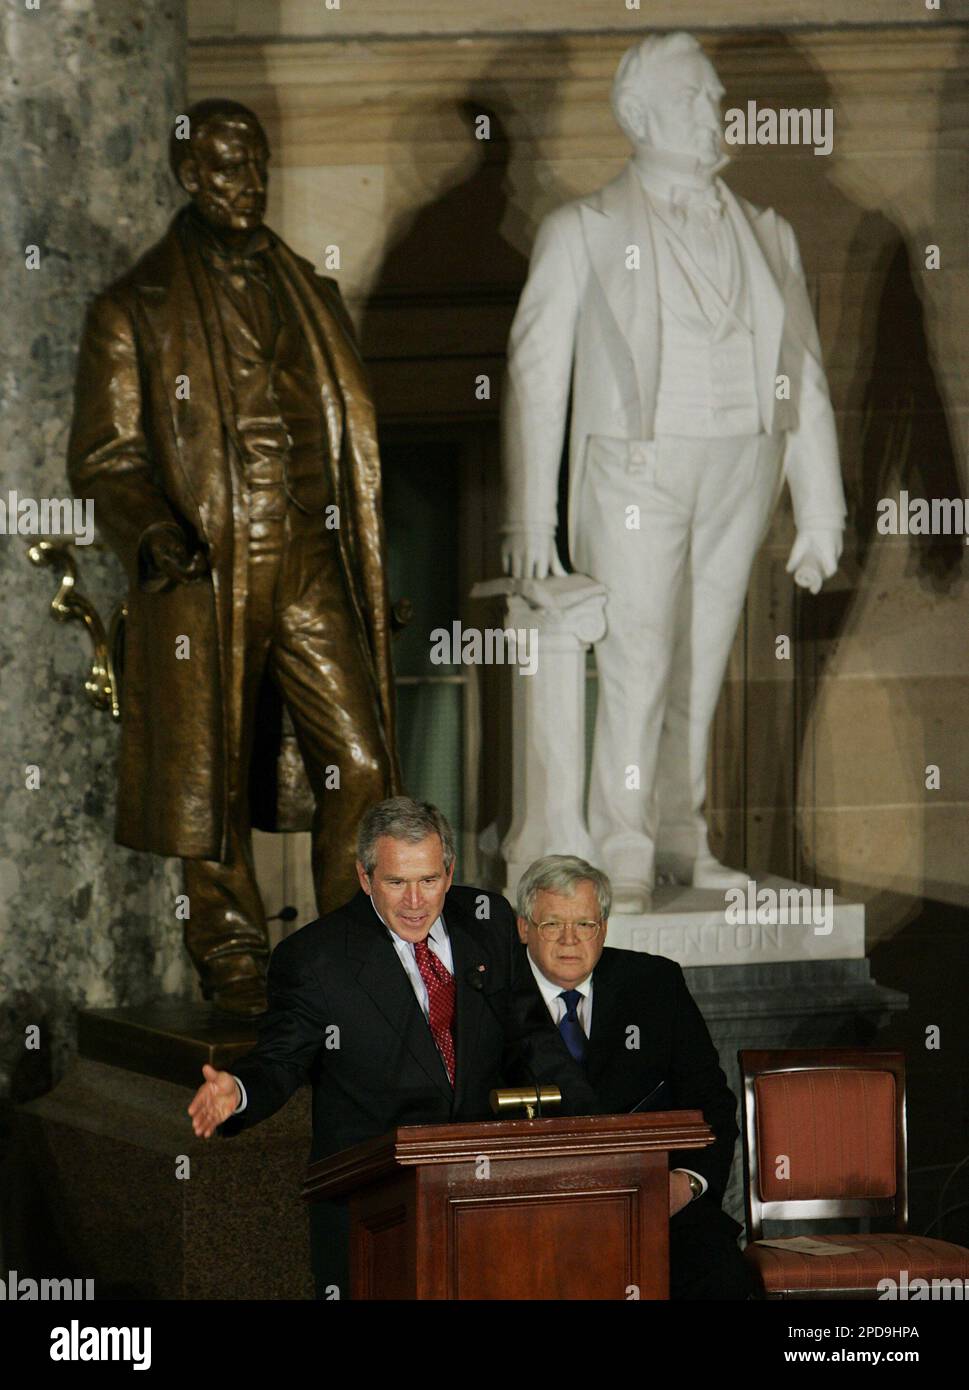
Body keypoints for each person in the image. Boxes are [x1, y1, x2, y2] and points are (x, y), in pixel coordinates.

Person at [67, 99, 399, 1014]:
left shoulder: (309, 291)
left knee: (362, 759)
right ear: (187, 174)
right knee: (205, 769)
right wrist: (152, 530)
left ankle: (348, 951)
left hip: (306, 556)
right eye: (223, 168)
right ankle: (232, 958)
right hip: (207, 565)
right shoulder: (133, 307)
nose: (245, 184)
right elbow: (104, 460)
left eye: (254, 165)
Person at [501, 32, 846, 910]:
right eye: (696, 97)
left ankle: (683, 840)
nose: (713, 111)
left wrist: (819, 511)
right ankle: (622, 844)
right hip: (634, 474)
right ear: (639, 113)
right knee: (636, 661)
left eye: (715, 97)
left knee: (701, 661)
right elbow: (535, 378)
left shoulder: (768, 234)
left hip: (740, 467)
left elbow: (802, 373)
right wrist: (529, 522)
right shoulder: (581, 229)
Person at [188, 798, 598, 1298]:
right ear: (365, 878)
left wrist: (598, 1125)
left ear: (449, 872)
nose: (415, 902)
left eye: (428, 881)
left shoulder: (487, 921)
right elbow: (281, 1060)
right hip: (372, 1210)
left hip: (482, 1199)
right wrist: (240, 1089)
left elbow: (531, 1034)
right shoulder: (316, 958)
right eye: (396, 883)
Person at [516, 853, 755, 1299]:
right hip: (536, 1208)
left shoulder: (655, 984)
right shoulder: (489, 996)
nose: (570, 940)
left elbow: (712, 1103)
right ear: (523, 927)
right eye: (552, 925)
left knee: (720, 1275)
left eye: (585, 925)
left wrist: (684, 1183)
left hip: (653, 1201)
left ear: (603, 928)